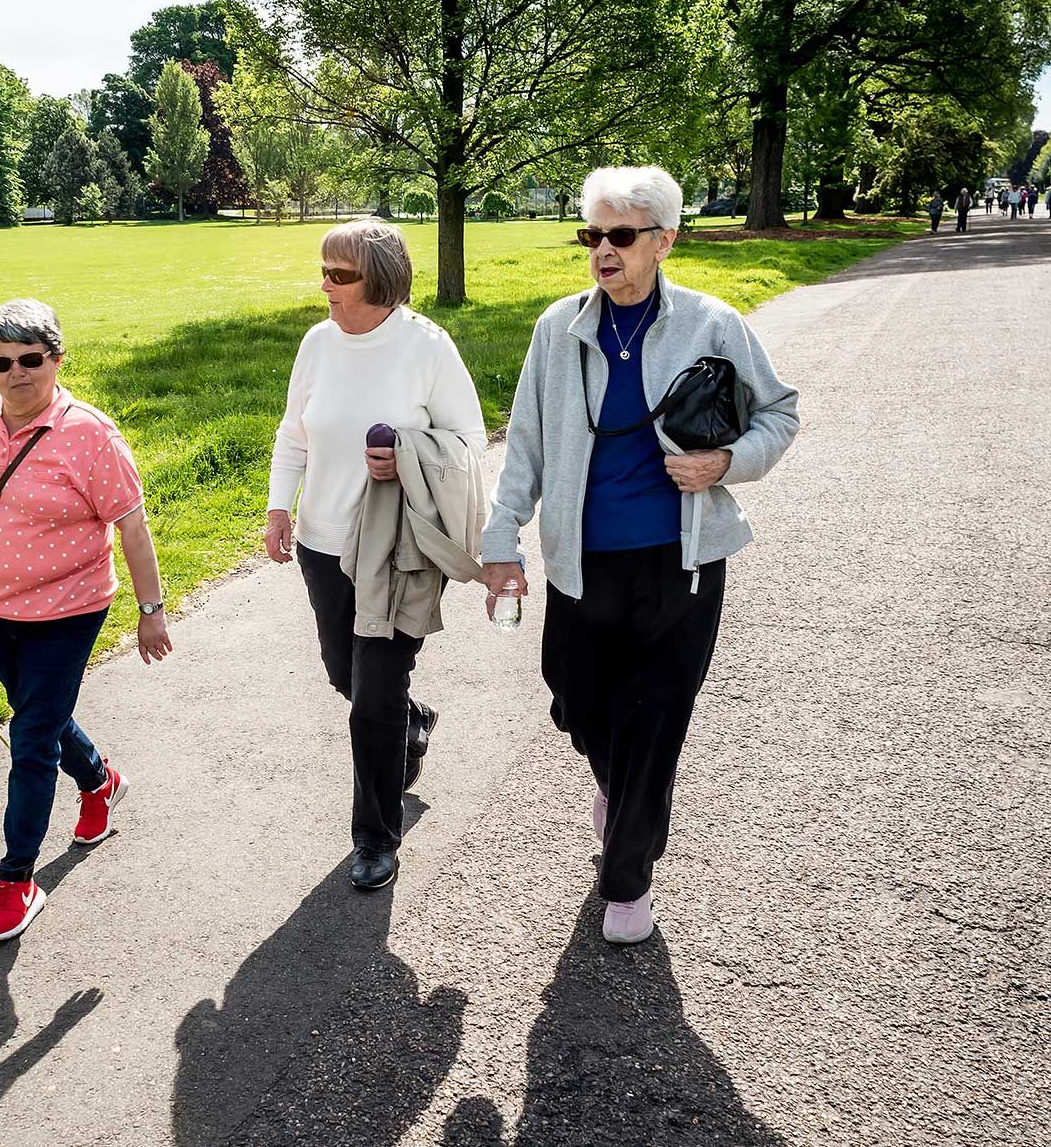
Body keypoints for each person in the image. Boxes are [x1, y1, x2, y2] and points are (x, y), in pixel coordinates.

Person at [482, 166, 800, 944]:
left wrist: (725, 465)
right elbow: (524, 441)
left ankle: (627, 882)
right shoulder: (558, 328)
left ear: (665, 240)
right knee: (577, 699)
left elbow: (780, 413)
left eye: (621, 236)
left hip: (681, 562)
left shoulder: (712, 323)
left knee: (656, 721)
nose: (603, 251)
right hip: (582, 563)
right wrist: (502, 540)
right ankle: (620, 791)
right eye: (593, 235)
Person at [0, 298, 173, 942]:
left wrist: (150, 612)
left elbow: (132, 528)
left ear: (56, 359)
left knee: (31, 737)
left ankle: (17, 880)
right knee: (39, 711)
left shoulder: (89, 434)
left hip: (68, 611)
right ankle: (99, 781)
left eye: (30, 359)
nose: (16, 373)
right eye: (1, 362)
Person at [265, 219, 486, 891]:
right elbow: (294, 432)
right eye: (323, 271)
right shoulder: (317, 342)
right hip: (322, 543)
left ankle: (375, 839)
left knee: (370, 701)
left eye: (340, 274)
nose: (325, 285)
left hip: (398, 550)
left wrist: (407, 456)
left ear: (380, 281)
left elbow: (470, 442)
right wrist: (280, 505)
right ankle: (411, 721)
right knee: (347, 676)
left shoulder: (426, 346)